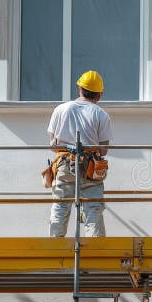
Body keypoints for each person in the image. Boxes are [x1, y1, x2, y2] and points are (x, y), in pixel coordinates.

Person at [47, 70, 113, 237]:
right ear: (100, 95)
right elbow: (103, 149)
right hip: (90, 168)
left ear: (79, 89)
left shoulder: (61, 109)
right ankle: (96, 249)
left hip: (64, 166)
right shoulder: (101, 114)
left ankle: (55, 248)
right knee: (93, 208)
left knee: (61, 206)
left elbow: (53, 145)